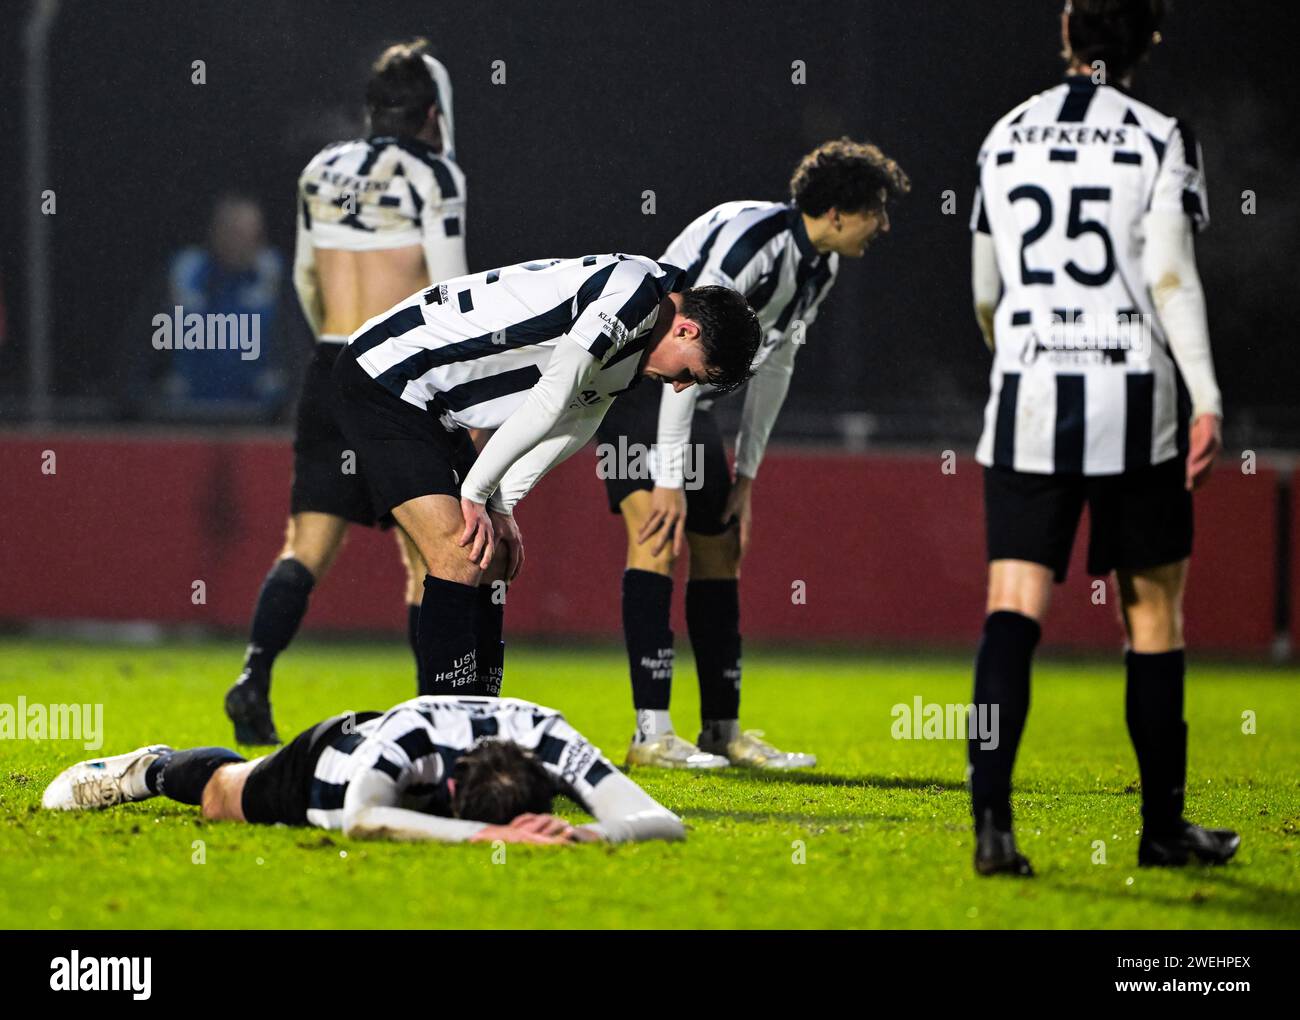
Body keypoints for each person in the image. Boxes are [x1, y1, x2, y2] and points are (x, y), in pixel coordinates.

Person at [966, 0, 1238, 874]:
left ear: (1067, 37)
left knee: (1011, 612)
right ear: (1146, 43)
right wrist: (1206, 397)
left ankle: (992, 828)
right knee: (1152, 614)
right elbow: (1170, 277)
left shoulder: (1004, 133)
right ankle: (1161, 831)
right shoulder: (1162, 137)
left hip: (1028, 399)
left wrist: (1024, 353)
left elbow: (985, 292)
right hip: (1135, 400)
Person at [595, 139, 910, 769]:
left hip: (691, 406)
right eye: (877, 208)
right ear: (841, 211)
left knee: (721, 546)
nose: (884, 224)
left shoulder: (819, 265)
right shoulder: (753, 242)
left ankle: (721, 731)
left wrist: (747, 473)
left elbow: (777, 364)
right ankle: (650, 734)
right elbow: (688, 341)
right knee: (658, 538)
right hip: (637, 387)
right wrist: (666, 474)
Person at [333, 254, 761, 701]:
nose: (678, 387)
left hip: (436, 406)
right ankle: (447, 734)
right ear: (686, 330)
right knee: (459, 551)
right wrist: (478, 495)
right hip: (387, 375)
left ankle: (481, 722)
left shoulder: (644, 327)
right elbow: (555, 394)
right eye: (690, 374)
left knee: (491, 558)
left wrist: (502, 505)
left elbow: (580, 420)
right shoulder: (632, 295)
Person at [226, 39, 466, 745]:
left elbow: (304, 276)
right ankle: (435, 710)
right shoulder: (436, 173)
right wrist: (459, 395)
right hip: (405, 373)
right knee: (429, 552)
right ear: (431, 113)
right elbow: (449, 292)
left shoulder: (321, 168)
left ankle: (254, 675)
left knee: (305, 547)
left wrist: (339, 350)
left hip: (331, 365)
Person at [43, 695, 684, 845]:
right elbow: (360, 818)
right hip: (337, 761)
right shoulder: (417, 733)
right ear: (452, 788)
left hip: (401, 777)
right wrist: (491, 837)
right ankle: (150, 769)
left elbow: (661, 822)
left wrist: (597, 833)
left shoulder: (549, 735)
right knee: (222, 799)